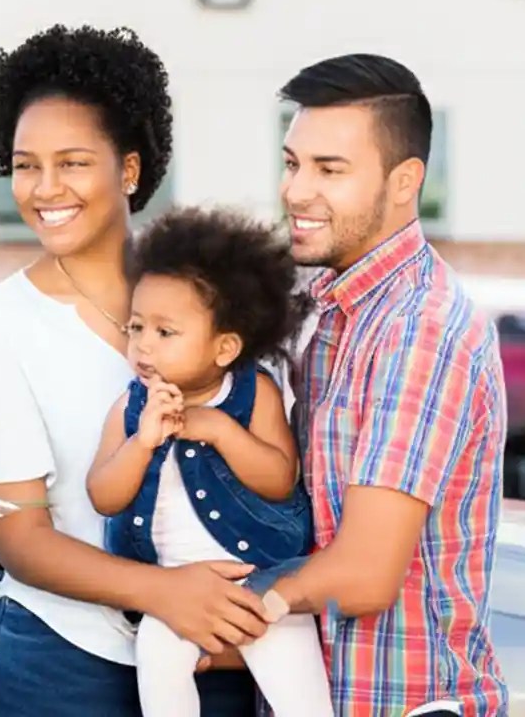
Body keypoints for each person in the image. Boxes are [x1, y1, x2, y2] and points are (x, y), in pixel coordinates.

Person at [0, 24, 268, 716]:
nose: (44, 189)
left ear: (128, 170)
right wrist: (168, 594)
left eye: (72, 162)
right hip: (59, 665)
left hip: (212, 658)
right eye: (26, 165)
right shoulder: (2, 330)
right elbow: (19, 539)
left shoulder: (211, 295)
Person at [260, 54, 508, 716]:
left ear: (405, 182)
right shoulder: (319, 306)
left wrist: (208, 606)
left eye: (329, 170)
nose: (295, 191)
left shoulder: (420, 328)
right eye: (292, 163)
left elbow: (365, 575)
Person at [87, 206, 333, 716]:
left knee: (301, 693)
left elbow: (280, 479)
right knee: (158, 661)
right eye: (136, 327)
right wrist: (142, 444)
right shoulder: (131, 407)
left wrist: (221, 431)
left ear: (224, 348)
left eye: (165, 332)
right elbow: (103, 496)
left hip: (261, 577)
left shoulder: (254, 393)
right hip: (174, 592)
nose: (143, 345)